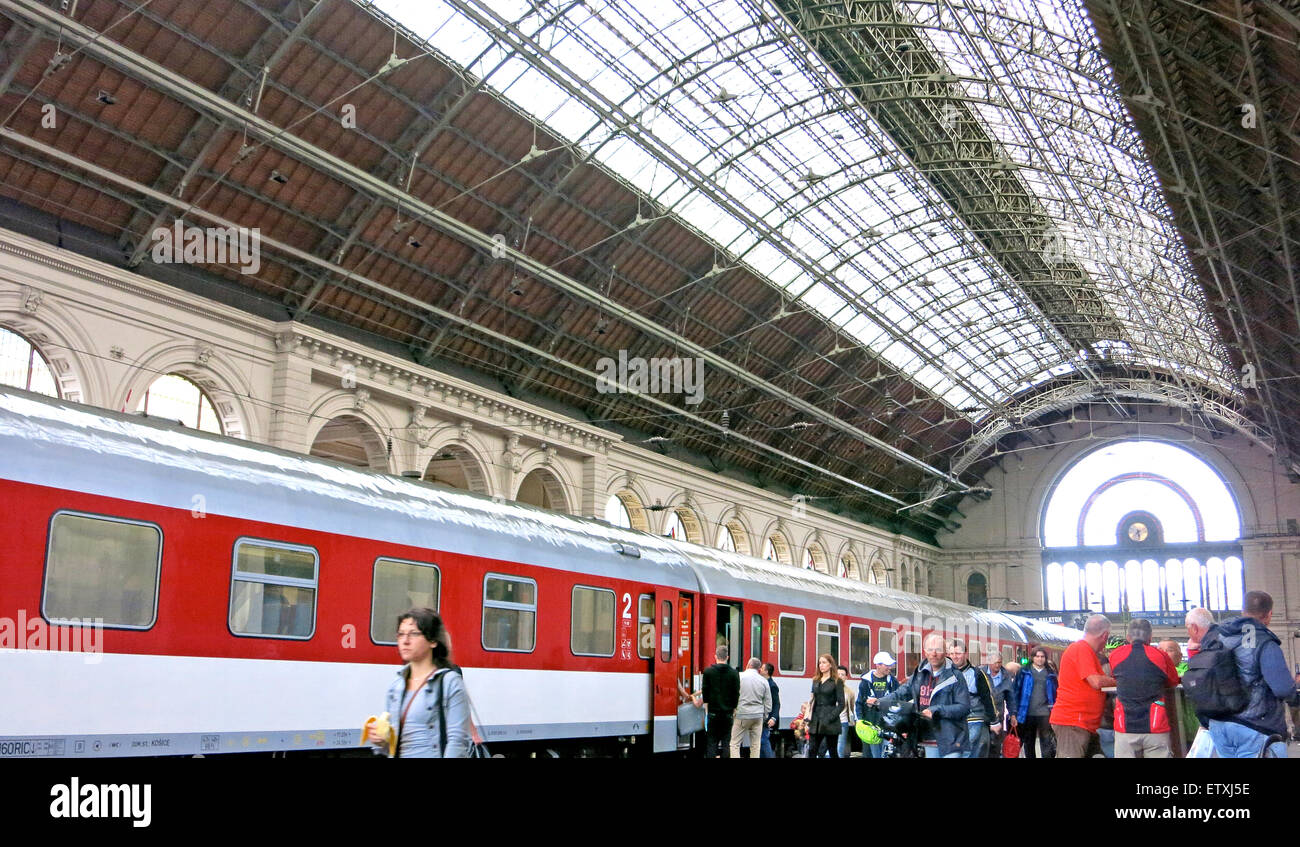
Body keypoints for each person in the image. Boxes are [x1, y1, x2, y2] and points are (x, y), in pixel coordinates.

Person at [1205, 591, 1300, 757]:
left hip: (1219, 723)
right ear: (1269, 614)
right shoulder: (1265, 642)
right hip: (1255, 725)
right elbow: (1283, 688)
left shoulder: (1218, 636)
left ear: (1243, 611)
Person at [367, 607, 470, 757]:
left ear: (433, 641)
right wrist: (380, 740)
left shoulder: (449, 682)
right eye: (401, 634)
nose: (405, 641)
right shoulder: (397, 685)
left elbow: (458, 741)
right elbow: (391, 746)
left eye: (414, 634)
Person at [880, 633, 971, 758]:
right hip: (927, 736)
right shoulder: (920, 673)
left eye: (938, 650)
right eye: (930, 650)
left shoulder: (955, 676)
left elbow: (964, 707)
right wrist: (880, 701)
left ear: (945, 652)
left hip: (951, 738)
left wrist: (936, 710)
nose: (934, 654)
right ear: (925, 652)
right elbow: (903, 692)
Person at [1108, 619, 1180, 758]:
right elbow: (1173, 681)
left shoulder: (1115, 655)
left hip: (1124, 725)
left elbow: (1117, 678)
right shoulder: (1160, 655)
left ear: (1128, 637)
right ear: (1150, 637)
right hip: (1155, 724)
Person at [1050, 614, 1116, 758]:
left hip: (1080, 723)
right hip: (1074, 722)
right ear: (1105, 636)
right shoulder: (1081, 649)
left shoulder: (1085, 651)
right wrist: (1118, 681)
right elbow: (1096, 681)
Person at [948, 639, 995, 758]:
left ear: (965, 654)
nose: (954, 657)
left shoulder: (977, 674)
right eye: (952, 654)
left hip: (974, 719)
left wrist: (994, 721)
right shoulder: (945, 673)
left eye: (958, 653)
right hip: (951, 721)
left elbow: (987, 697)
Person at [695, 645, 741, 758]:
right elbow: (736, 693)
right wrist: (734, 708)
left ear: (715, 656)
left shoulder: (708, 672)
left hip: (713, 713)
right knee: (726, 742)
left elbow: (705, 691)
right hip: (728, 714)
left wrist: (707, 708)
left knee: (711, 742)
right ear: (727, 657)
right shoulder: (734, 673)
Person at [1014, 646, 1057, 758]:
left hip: (1045, 713)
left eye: (1042, 656)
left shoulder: (1050, 673)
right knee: (1029, 743)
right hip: (1027, 712)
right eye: (1037, 656)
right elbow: (1016, 691)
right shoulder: (1023, 671)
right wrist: (1015, 712)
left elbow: (1055, 692)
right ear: (1032, 657)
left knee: (1046, 743)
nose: (1040, 659)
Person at [857, 652, 900, 758]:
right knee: (871, 754)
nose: (889, 668)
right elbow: (859, 702)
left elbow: (898, 700)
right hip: (871, 724)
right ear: (878, 665)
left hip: (888, 724)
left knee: (887, 754)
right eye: (887, 665)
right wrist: (859, 720)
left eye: (890, 665)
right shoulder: (865, 682)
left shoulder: (893, 681)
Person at [1159, 638, 1198, 755]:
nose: (1164, 653)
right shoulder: (1153, 672)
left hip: (1191, 728)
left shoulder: (1190, 669)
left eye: (1169, 650)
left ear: (1180, 656)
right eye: (1160, 650)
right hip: (1165, 728)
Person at [731, 658, 772, 759]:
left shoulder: (739, 676)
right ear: (759, 669)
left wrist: (733, 711)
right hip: (757, 716)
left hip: (741, 714)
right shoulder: (764, 681)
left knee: (735, 744)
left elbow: (732, 695)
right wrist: (764, 716)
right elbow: (768, 703)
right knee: (755, 746)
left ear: (748, 665)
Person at [808, 653, 845, 758]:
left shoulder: (837, 681)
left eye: (824, 662)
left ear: (830, 665)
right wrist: (808, 716)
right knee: (812, 750)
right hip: (815, 720)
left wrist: (830, 717)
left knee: (832, 751)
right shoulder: (815, 680)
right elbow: (812, 699)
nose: (821, 665)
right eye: (820, 663)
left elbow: (841, 704)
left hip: (830, 721)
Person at [982, 653, 1017, 758]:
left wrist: (1013, 714)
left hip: (998, 716)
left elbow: (1011, 698)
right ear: (989, 663)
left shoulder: (1005, 675)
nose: (997, 665)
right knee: (982, 745)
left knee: (995, 746)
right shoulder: (980, 673)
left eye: (999, 662)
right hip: (982, 716)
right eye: (995, 663)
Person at [760, 662, 780, 758]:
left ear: (766, 671)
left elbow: (776, 703)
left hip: (768, 719)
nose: (760, 669)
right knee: (761, 741)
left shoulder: (772, 685)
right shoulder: (764, 683)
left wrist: (773, 717)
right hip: (764, 717)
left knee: (763, 740)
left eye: (762, 668)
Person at [837, 665, 857, 758]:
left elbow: (852, 708)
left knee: (839, 748)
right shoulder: (827, 689)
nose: (840, 676)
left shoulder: (850, 692)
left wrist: (855, 720)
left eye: (842, 674)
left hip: (843, 722)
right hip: (829, 723)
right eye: (838, 674)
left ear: (846, 677)